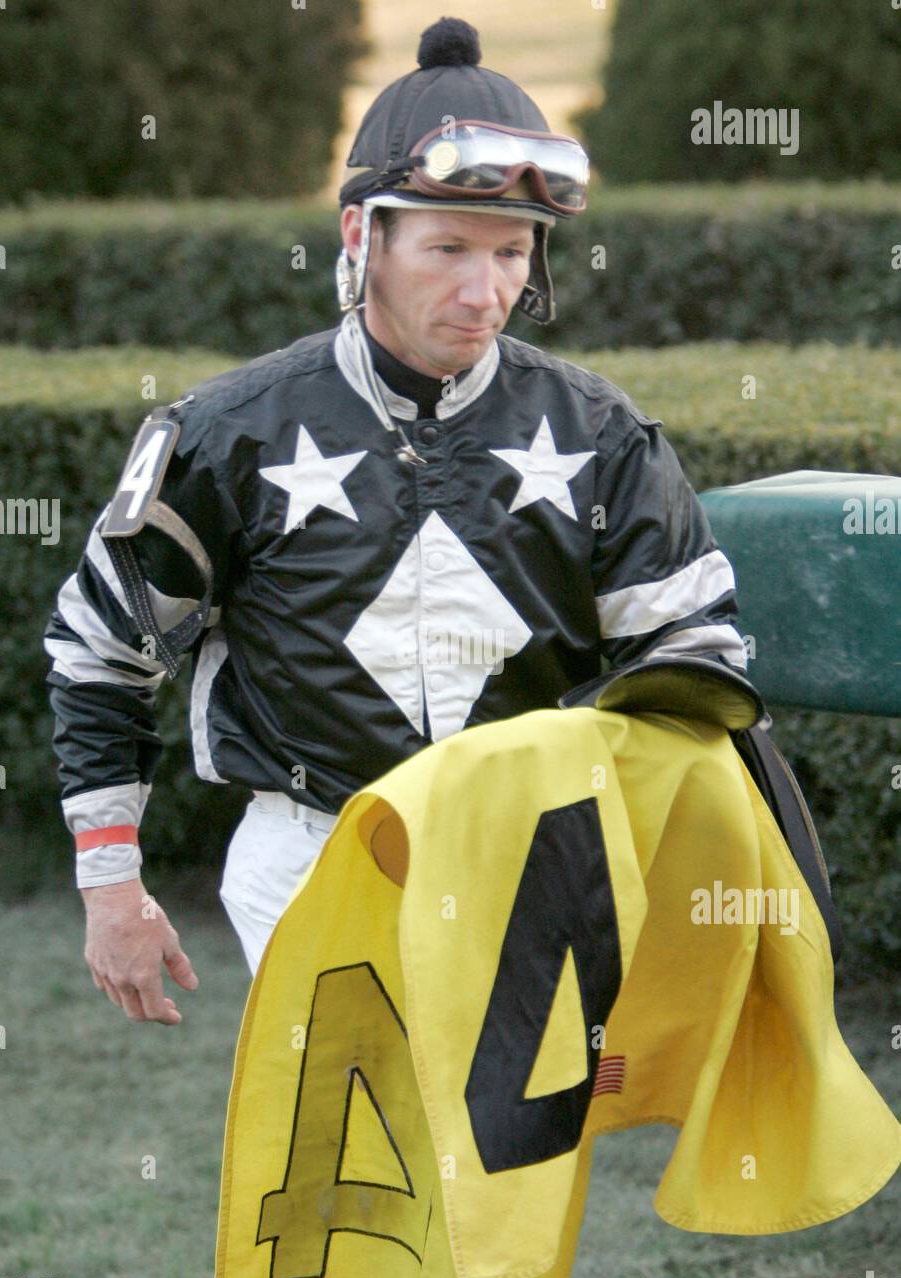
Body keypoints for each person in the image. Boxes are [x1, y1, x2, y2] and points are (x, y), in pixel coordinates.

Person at [43, 17, 754, 1021]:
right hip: (308, 860)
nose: (485, 290)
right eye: (449, 246)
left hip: (536, 863)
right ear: (359, 234)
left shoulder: (605, 434)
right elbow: (100, 650)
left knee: (508, 1172)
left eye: (514, 251)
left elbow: (693, 658)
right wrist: (111, 885)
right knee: (371, 1163)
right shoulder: (223, 431)